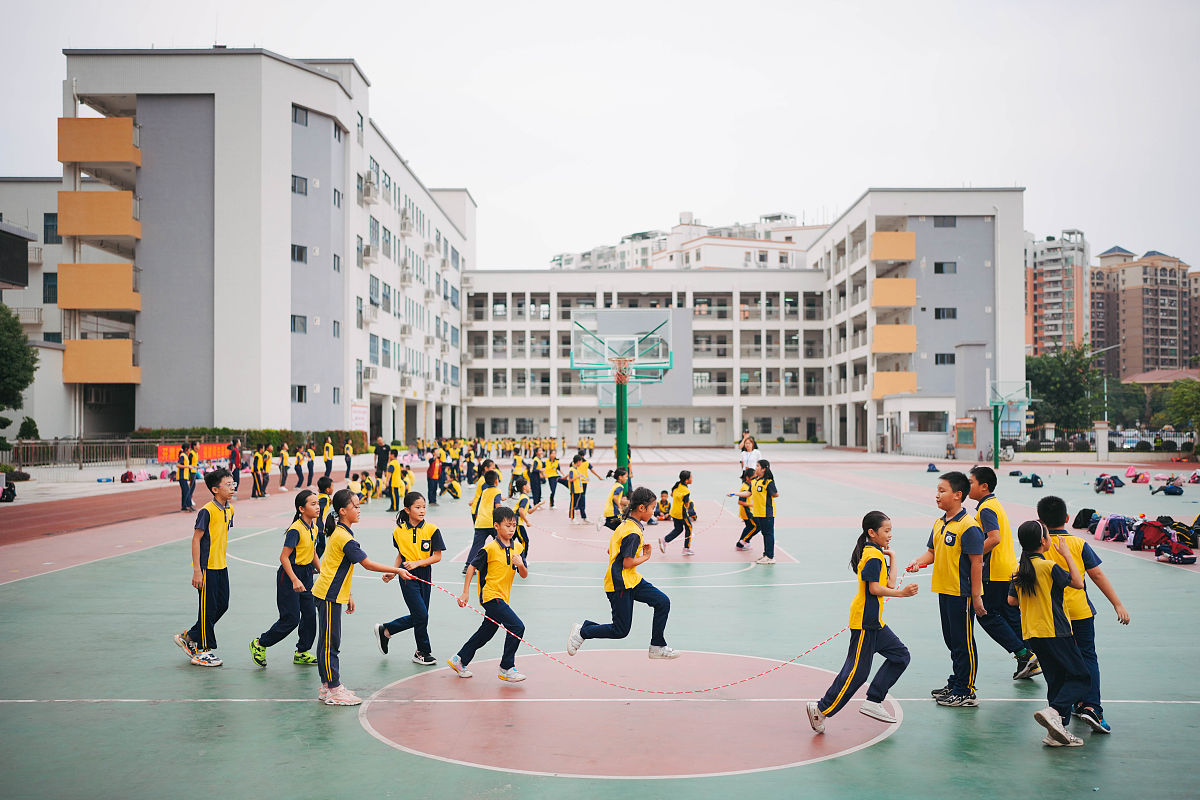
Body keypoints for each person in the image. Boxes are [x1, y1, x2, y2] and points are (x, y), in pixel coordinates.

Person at [808, 511, 917, 733]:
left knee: (900, 656)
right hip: (865, 620)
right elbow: (875, 589)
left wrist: (893, 557)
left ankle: (874, 700)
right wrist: (902, 594)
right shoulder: (873, 556)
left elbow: (889, 583)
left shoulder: (876, 553)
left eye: (891, 531)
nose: (890, 535)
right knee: (857, 672)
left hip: (874, 621)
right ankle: (821, 709)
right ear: (872, 532)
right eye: (886, 531)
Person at [1038, 495, 1131, 734]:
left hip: (1051, 616)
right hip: (1079, 613)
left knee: (1059, 663)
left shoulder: (1040, 546)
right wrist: (1117, 604)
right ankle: (1091, 707)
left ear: (1040, 521)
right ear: (1067, 518)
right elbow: (1097, 575)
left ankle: (1061, 711)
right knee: (1087, 656)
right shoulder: (1078, 544)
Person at [312, 489, 412, 706]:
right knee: (330, 643)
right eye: (355, 506)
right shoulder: (344, 537)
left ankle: (327, 686)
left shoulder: (341, 532)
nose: (359, 510)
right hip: (329, 594)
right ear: (342, 511)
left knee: (327, 641)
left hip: (330, 592)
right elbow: (367, 564)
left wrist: (347, 593)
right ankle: (333, 689)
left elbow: (335, 566)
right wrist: (398, 570)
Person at [567, 486, 680, 661]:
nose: (653, 512)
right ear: (641, 508)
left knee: (662, 602)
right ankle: (583, 631)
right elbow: (627, 563)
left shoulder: (627, 524)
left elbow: (610, 550)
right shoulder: (632, 532)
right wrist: (646, 556)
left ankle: (657, 645)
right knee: (620, 630)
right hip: (619, 583)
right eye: (652, 508)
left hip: (631, 580)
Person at [906, 471, 985, 708]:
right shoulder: (940, 523)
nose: (937, 495)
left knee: (963, 643)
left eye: (942, 491)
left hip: (962, 594)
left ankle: (966, 691)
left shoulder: (968, 526)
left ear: (958, 495)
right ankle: (957, 681)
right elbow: (932, 552)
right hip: (945, 590)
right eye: (937, 491)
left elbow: (977, 562)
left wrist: (976, 596)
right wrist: (918, 562)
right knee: (952, 640)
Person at [1008, 520, 1089, 747]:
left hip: (1032, 634)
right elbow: (1078, 583)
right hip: (1056, 631)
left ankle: (1055, 734)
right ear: (1043, 541)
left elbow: (1011, 600)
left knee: (1056, 680)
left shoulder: (1019, 570)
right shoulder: (1049, 566)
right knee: (1081, 677)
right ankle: (1054, 712)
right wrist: (1067, 554)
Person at [968, 466, 1040, 680]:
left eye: (971, 482)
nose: (968, 486)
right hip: (1008, 568)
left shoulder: (986, 509)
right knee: (1010, 615)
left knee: (986, 614)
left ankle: (1023, 653)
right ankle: (1031, 657)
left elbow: (994, 538)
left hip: (994, 571)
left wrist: (973, 555)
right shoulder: (995, 504)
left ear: (984, 486)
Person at [449, 507, 530, 682]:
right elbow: (472, 566)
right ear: (496, 526)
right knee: (517, 626)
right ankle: (506, 667)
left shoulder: (518, 547)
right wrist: (465, 592)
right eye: (507, 525)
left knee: (486, 632)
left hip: (503, 597)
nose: (511, 529)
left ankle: (460, 659)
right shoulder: (489, 548)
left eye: (514, 525)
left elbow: (524, 574)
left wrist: (521, 564)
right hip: (491, 596)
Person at [250, 490, 322, 668]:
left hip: (306, 574)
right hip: (289, 575)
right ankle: (260, 643)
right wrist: (295, 579)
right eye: (313, 504)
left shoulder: (314, 527)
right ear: (301, 509)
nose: (318, 507)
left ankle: (302, 652)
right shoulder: (295, 529)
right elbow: (284, 557)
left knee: (310, 615)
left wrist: (322, 571)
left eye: (318, 503)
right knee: (291, 618)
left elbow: (312, 552)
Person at [374, 491, 445, 666]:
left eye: (424, 507)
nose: (422, 510)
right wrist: (394, 571)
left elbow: (437, 556)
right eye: (417, 507)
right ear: (407, 509)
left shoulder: (432, 530)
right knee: (421, 614)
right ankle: (422, 652)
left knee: (421, 615)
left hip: (425, 574)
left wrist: (418, 563)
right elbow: (401, 554)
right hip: (406, 575)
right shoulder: (398, 531)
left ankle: (387, 629)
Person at [173, 468, 235, 667]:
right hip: (207, 568)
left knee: (222, 605)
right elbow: (196, 539)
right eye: (228, 484)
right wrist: (197, 570)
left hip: (221, 566)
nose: (232, 487)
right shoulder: (207, 511)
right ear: (215, 489)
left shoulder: (229, 510)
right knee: (207, 610)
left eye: (233, 483)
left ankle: (190, 636)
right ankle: (203, 651)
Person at [466, 469, 503, 575]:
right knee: (501, 542)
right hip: (492, 522)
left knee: (476, 545)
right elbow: (497, 506)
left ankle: (468, 565)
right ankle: (503, 563)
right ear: (496, 481)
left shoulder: (485, 491)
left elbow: (489, 500)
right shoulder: (497, 491)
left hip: (480, 522)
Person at [661, 470, 696, 556]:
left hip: (674, 512)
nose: (692, 479)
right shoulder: (686, 491)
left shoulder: (677, 485)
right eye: (691, 477)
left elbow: (672, 494)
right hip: (681, 513)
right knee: (689, 527)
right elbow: (686, 504)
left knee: (678, 529)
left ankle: (664, 540)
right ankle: (686, 548)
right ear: (686, 480)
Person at [510, 475, 544, 561]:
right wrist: (527, 521)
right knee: (525, 541)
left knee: (509, 541)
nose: (530, 487)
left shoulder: (525, 497)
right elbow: (521, 511)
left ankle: (510, 558)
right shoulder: (524, 498)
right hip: (517, 523)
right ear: (524, 487)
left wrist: (538, 504)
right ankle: (522, 560)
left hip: (515, 523)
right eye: (528, 485)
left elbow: (530, 511)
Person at [734, 468, 757, 550]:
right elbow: (740, 502)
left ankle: (741, 544)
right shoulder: (745, 487)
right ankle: (744, 541)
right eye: (753, 478)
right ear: (747, 478)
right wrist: (752, 505)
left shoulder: (750, 486)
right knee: (757, 526)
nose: (755, 479)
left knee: (749, 527)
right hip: (747, 512)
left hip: (748, 511)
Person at [316, 477, 334, 557]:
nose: (333, 488)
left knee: (318, 546)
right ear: (327, 490)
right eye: (332, 486)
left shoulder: (321, 496)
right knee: (321, 546)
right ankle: (312, 563)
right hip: (319, 526)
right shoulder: (324, 499)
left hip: (318, 526)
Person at [177, 442, 195, 511]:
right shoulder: (182, 455)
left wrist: (192, 466)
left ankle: (184, 506)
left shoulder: (185, 455)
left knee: (184, 491)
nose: (190, 450)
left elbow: (186, 465)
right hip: (182, 476)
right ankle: (189, 505)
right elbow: (178, 465)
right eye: (189, 448)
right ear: (186, 449)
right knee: (187, 491)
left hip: (184, 476)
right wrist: (187, 466)